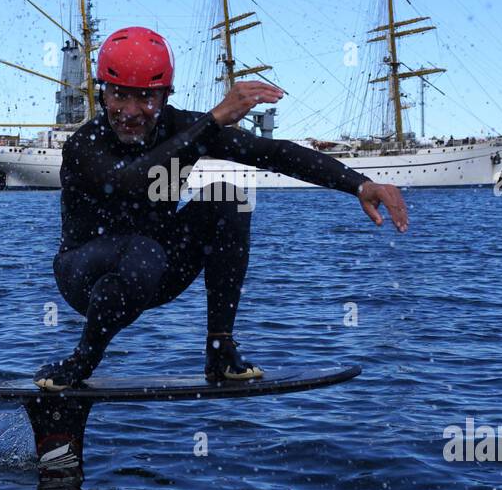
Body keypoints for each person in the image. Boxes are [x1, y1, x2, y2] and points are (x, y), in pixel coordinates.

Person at [35, 26, 408, 391]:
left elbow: (273, 154)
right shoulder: (85, 145)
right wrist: (210, 123)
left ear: (165, 96)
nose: (131, 112)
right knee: (143, 250)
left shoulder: (180, 127)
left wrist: (360, 184)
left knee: (227, 196)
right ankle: (81, 359)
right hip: (84, 276)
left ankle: (220, 350)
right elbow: (132, 180)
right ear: (102, 93)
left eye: (146, 98)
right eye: (119, 96)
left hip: (156, 271)